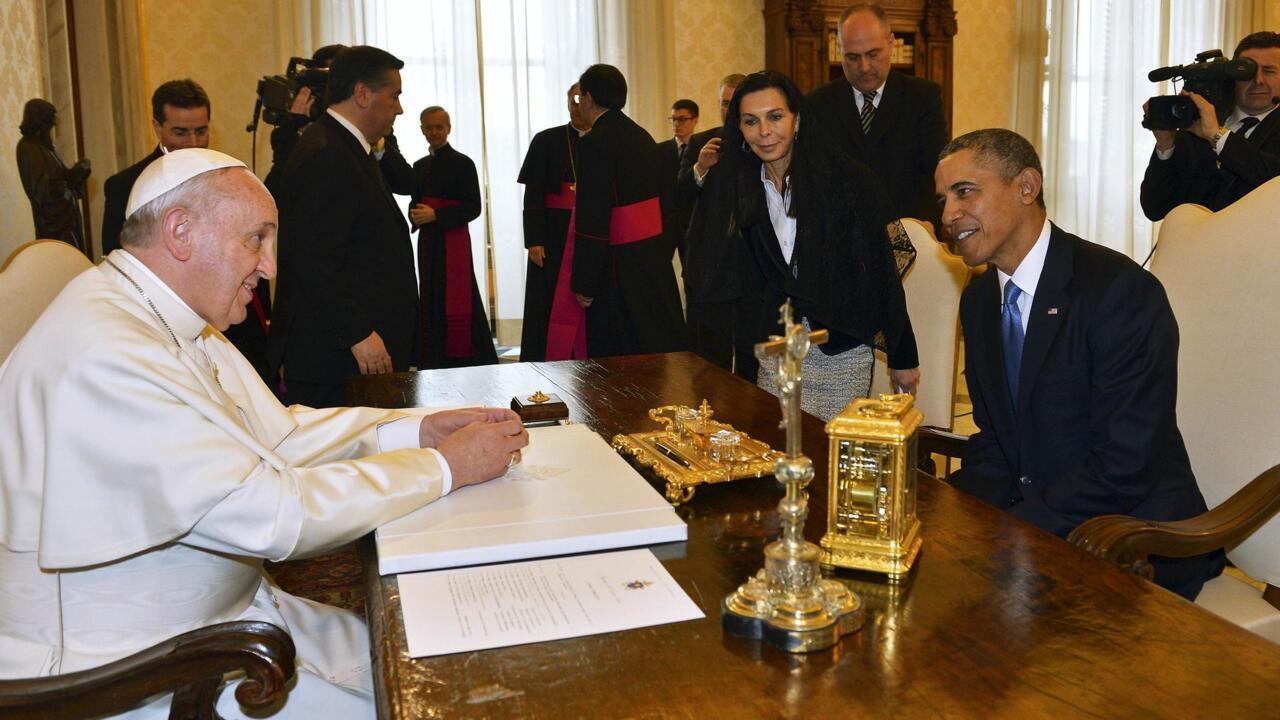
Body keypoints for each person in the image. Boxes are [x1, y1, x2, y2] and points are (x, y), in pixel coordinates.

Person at [0, 148, 529, 719]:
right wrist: (447, 468)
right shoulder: (108, 354)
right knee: (421, 701)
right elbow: (273, 514)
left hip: (226, 613)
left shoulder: (164, 316)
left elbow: (277, 435)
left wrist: (415, 431)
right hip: (137, 665)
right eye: (257, 239)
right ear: (180, 232)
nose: (271, 267)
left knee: (426, 659)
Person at [936, 128, 1222, 600]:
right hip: (1039, 528)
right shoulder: (980, 300)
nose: (948, 215)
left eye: (965, 192)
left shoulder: (1118, 291)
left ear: (1027, 187)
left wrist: (1010, 532)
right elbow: (994, 441)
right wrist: (941, 511)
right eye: (943, 199)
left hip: (1133, 539)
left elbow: (1125, 464)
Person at [696, 70, 918, 420]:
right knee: (777, 443)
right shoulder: (743, 187)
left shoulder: (846, 180)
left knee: (827, 447)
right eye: (751, 121)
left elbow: (881, 271)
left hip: (840, 350)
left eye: (775, 117)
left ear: (797, 120)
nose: (764, 132)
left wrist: (904, 356)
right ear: (739, 129)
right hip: (777, 350)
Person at [268, 45, 419, 408]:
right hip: (339, 358)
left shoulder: (346, 146)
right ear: (362, 94)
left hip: (353, 356)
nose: (399, 108)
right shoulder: (327, 152)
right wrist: (358, 334)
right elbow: (314, 259)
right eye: (394, 95)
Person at [550, 63, 685, 359]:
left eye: (580, 98)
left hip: (615, 265)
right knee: (649, 344)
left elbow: (593, 217)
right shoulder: (641, 135)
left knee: (616, 353)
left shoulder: (593, 142)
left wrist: (585, 281)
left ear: (589, 98)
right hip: (649, 257)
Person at [805, 3, 946, 230]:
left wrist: (921, 230)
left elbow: (935, 173)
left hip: (909, 233)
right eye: (852, 57)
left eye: (873, 54)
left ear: (891, 44)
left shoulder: (922, 98)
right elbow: (814, 180)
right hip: (841, 236)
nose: (864, 66)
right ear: (839, 49)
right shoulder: (817, 105)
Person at [1140, 31, 1280, 221]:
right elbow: (1155, 208)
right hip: (1192, 239)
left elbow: (1273, 180)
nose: (1258, 81)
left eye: (1269, 71)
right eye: (1247, 71)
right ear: (1233, 76)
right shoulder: (1195, 122)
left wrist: (1217, 136)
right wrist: (1165, 145)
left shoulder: (1209, 127)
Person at [677, 73, 756, 379]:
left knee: (753, 361)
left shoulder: (766, 143)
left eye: (735, 103)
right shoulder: (702, 142)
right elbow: (679, 195)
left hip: (753, 271)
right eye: (724, 103)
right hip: (710, 270)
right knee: (709, 365)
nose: (729, 110)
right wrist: (700, 167)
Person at [409, 106, 497, 368]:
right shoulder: (418, 166)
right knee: (430, 294)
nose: (434, 132)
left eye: (439, 127)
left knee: (457, 296)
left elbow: (474, 207)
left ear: (449, 128)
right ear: (421, 129)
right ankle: (433, 359)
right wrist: (415, 215)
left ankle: (465, 359)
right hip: (428, 242)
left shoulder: (463, 163)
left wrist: (436, 214)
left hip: (453, 240)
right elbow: (415, 202)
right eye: (429, 127)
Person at [516, 83, 590, 362]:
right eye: (573, 101)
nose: (577, 107)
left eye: (582, 100)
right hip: (552, 235)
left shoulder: (606, 140)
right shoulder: (546, 140)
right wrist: (534, 240)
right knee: (547, 301)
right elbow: (533, 193)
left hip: (591, 233)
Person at [101, 79, 211, 256]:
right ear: (157, 127)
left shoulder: (232, 177)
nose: (193, 142)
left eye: (201, 132)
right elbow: (118, 259)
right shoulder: (123, 186)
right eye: (180, 133)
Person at [262, 43, 347, 202]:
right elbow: (275, 192)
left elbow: (397, 179)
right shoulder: (290, 131)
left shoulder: (365, 125)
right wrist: (294, 125)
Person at [15, 98, 90, 253]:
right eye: (49, 122)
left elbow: (62, 178)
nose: (53, 125)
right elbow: (42, 192)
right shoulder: (28, 148)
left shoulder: (47, 149)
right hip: (54, 228)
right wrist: (70, 182)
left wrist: (78, 172)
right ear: (39, 122)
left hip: (67, 223)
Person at [657, 98, 699, 262]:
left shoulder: (703, 150)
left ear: (695, 120)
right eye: (673, 119)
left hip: (692, 221)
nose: (676, 124)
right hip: (665, 221)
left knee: (692, 269)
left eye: (682, 119)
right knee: (660, 267)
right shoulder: (659, 150)